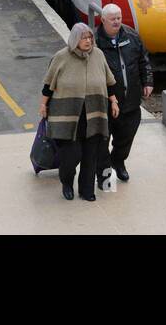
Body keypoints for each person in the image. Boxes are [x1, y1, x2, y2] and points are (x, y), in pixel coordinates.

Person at [40, 23, 119, 202]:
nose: (88, 41)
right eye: (84, 38)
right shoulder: (61, 57)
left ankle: (86, 190)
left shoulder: (98, 55)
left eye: (90, 37)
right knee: (72, 155)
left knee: (91, 155)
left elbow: (109, 82)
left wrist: (113, 101)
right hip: (68, 117)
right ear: (75, 39)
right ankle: (67, 182)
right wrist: (43, 105)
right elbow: (48, 85)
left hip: (94, 115)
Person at [94, 3, 153, 183]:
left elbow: (144, 60)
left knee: (127, 136)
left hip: (130, 101)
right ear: (103, 20)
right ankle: (104, 175)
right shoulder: (95, 42)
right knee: (102, 141)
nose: (117, 22)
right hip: (106, 104)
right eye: (113, 19)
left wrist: (148, 81)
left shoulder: (132, 36)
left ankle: (118, 161)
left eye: (119, 18)